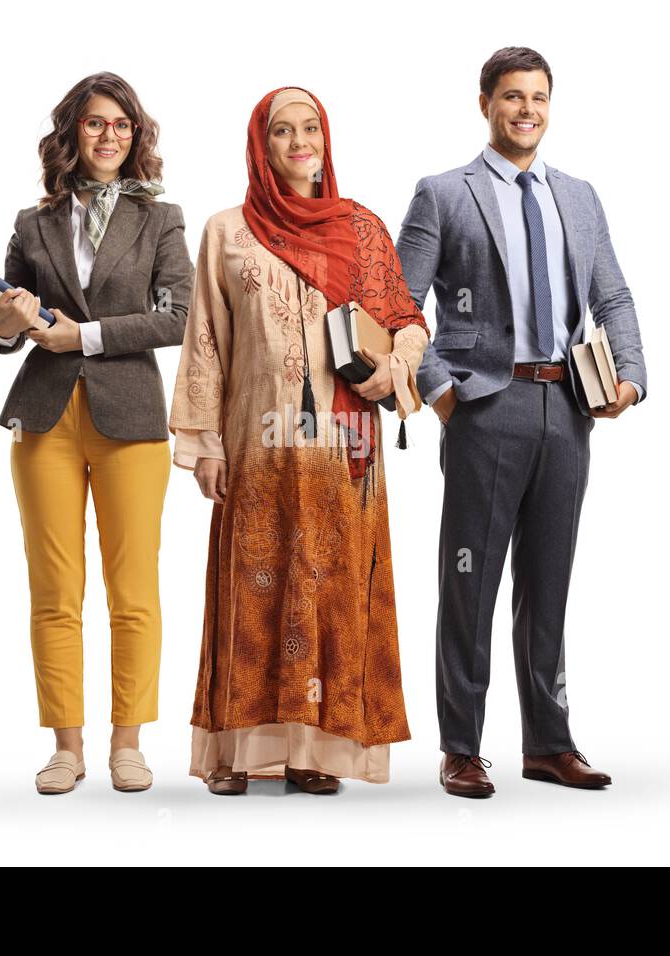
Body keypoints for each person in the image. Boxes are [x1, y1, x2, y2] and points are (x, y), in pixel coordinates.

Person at [395, 47, 648, 797]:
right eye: (512, 96)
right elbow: (397, 307)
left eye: (538, 97)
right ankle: (462, 747)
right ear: (485, 103)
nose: (527, 110)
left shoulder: (579, 195)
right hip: (485, 410)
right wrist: (443, 393)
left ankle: (549, 742)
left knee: (549, 581)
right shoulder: (444, 193)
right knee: (470, 583)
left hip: (566, 409)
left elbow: (615, 297)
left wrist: (629, 375)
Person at [168, 87, 430, 795]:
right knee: (254, 589)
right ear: (262, 144)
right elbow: (206, 344)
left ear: (325, 137)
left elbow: (406, 317)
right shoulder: (227, 231)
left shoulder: (361, 230)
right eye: (282, 131)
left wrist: (398, 367)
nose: (298, 141)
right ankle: (234, 750)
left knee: (331, 590)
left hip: (343, 449)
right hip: (257, 448)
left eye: (309, 127)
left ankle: (314, 751)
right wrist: (206, 447)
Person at [0, 72, 193, 794]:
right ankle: (66, 746)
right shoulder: (31, 221)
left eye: (122, 126)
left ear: (136, 138)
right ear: (72, 133)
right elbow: (8, 330)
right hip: (44, 416)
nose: (109, 136)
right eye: (96, 124)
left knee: (133, 586)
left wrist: (89, 335)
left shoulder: (160, 219)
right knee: (54, 587)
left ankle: (127, 742)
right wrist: (6, 322)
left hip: (130, 416)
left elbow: (178, 317)